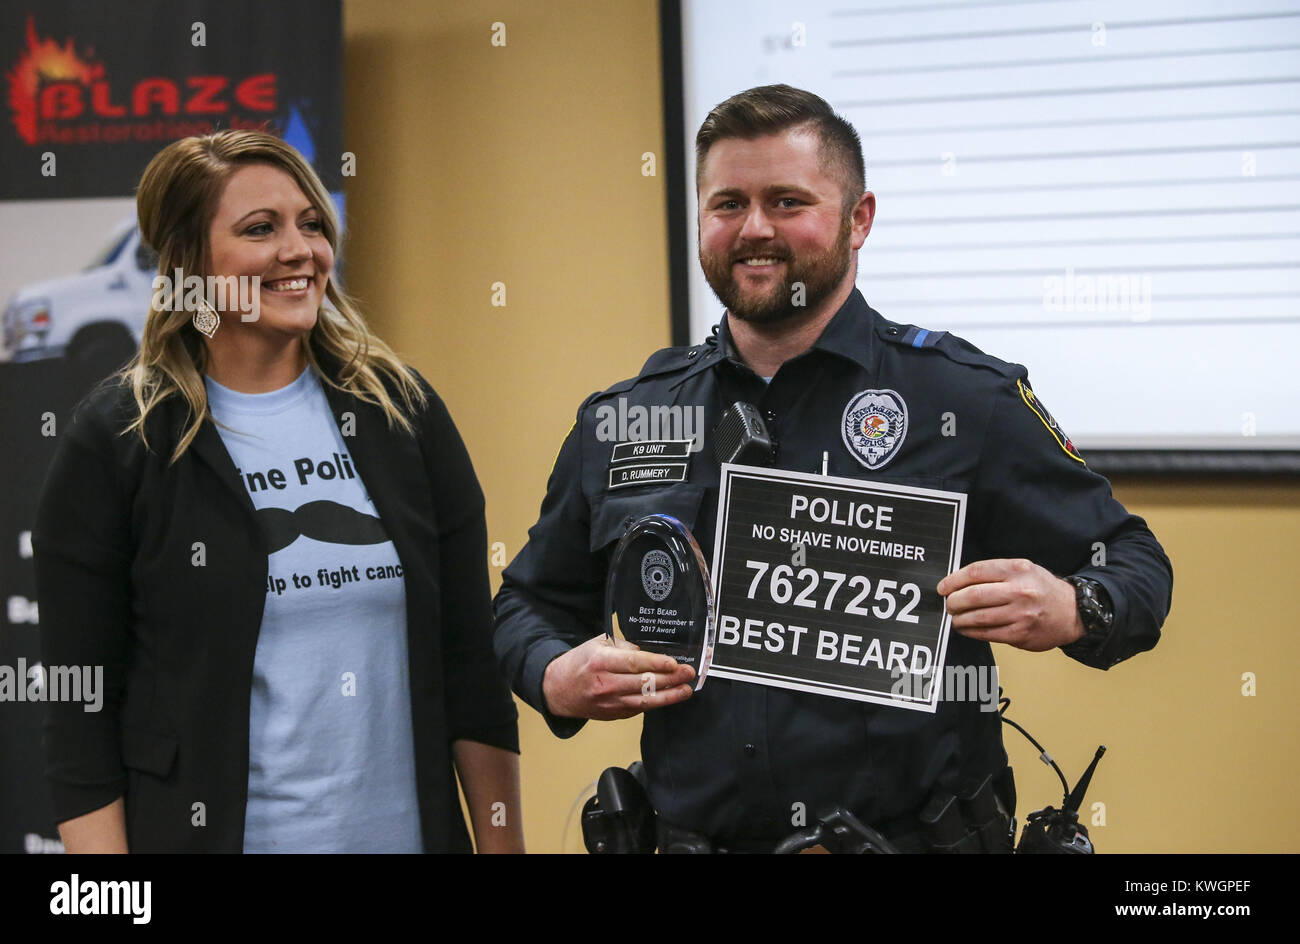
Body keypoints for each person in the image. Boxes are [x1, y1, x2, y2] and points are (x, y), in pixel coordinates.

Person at [492, 85, 1173, 852]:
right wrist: (555, 675)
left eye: (787, 201)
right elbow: (527, 604)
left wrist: (1072, 605)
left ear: (859, 219)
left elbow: (1136, 566)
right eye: (727, 204)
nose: (754, 229)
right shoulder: (627, 419)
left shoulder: (961, 397)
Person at [34, 130, 522, 853]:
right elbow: (81, 720)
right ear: (187, 262)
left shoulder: (401, 413)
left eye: (312, 224)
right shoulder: (118, 439)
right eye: (261, 229)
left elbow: (471, 672)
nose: (301, 250)